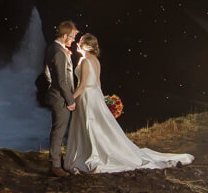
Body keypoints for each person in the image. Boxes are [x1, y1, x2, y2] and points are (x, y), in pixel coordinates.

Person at [64, 34, 193, 173]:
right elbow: (98, 83)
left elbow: (82, 85)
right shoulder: (95, 60)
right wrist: (101, 100)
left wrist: (70, 99)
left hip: (87, 97)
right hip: (95, 95)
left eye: (80, 41)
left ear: (85, 45)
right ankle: (95, 150)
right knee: (97, 125)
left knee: (90, 125)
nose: (77, 43)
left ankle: (92, 153)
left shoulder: (85, 61)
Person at [44, 20, 79, 177]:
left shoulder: (52, 48)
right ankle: (55, 165)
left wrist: (51, 85)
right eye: (71, 36)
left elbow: (47, 71)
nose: (73, 40)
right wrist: (70, 100)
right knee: (58, 131)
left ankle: (57, 160)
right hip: (61, 99)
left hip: (57, 95)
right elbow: (62, 80)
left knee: (58, 130)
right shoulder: (59, 52)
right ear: (64, 35)